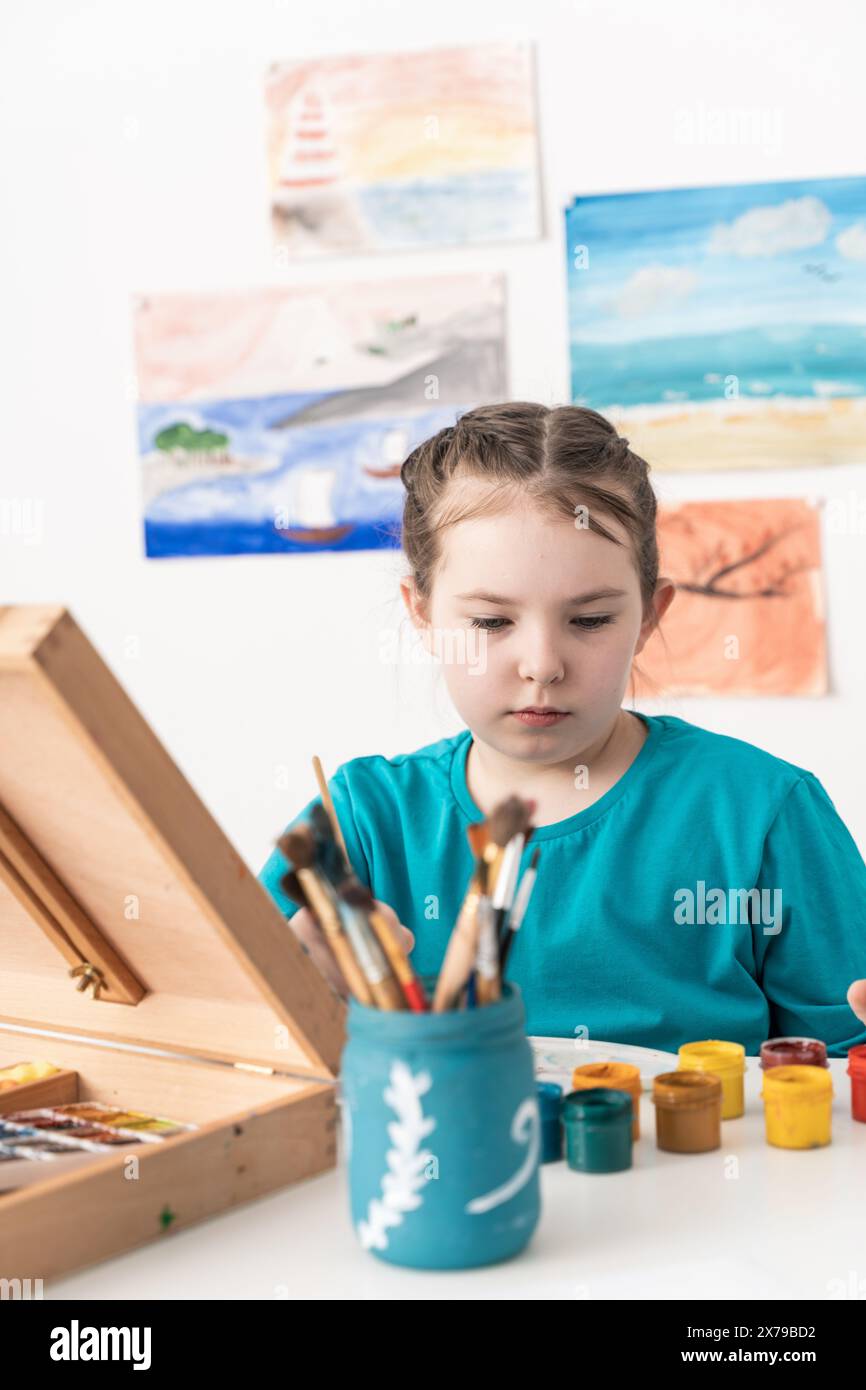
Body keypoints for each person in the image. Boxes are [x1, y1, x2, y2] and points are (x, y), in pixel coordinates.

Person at [258, 402, 866, 1056]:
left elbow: (843, 1071)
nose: (543, 666)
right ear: (423, 613)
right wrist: (290, 1002)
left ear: (650, 616)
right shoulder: (361, 821)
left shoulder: (763, 811)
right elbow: (230, 1047)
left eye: (591, 620)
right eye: (491, 623)